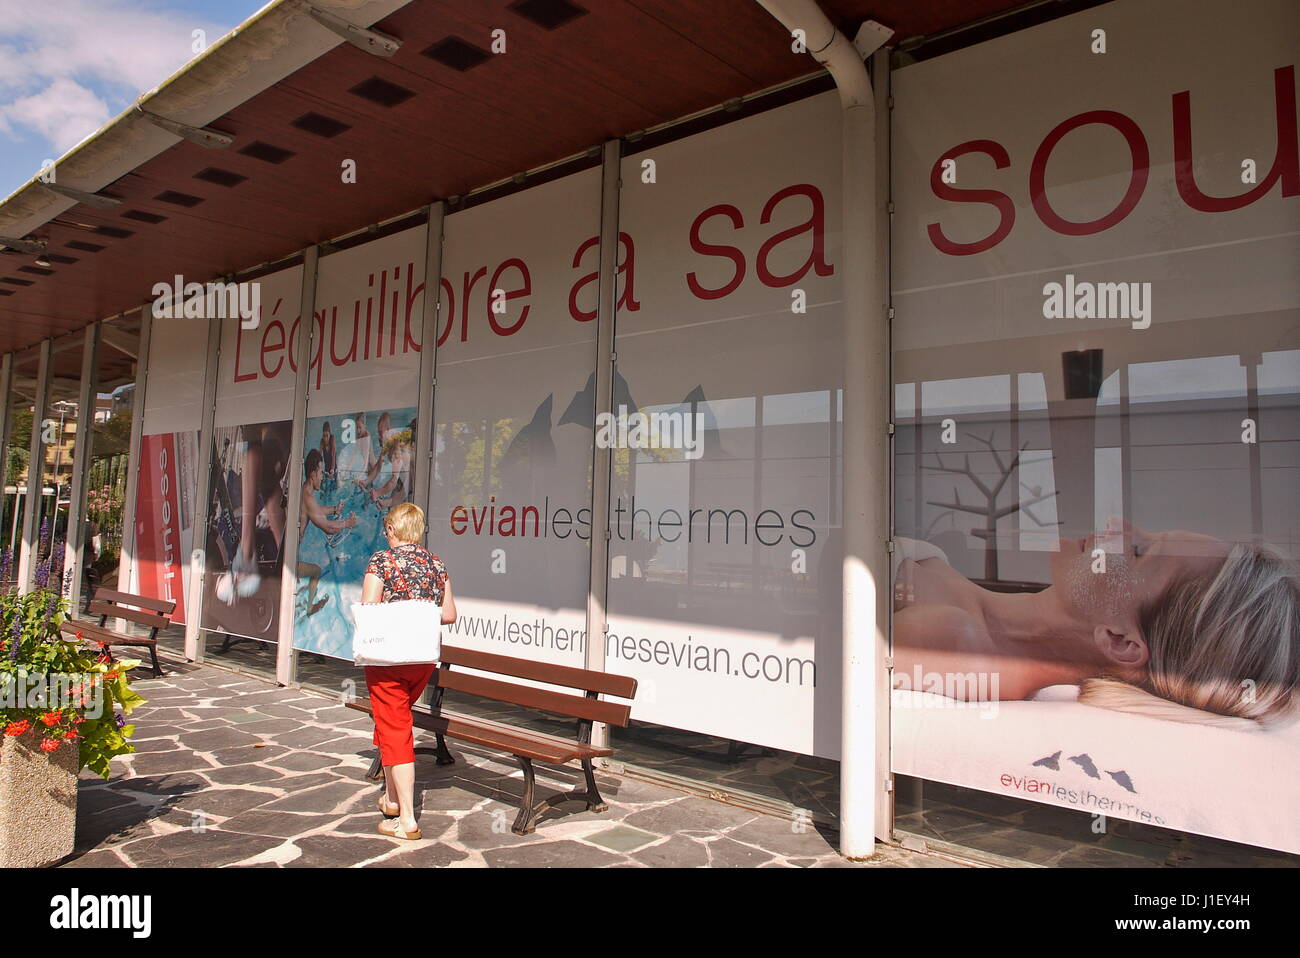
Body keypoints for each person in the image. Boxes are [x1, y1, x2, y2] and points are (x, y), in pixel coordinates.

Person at [892, 518, 1299, 729]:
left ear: (1121, 641)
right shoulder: (967, 619)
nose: (1119, 525)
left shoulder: (947, 643)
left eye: (1138, 550)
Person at [360, 502, 457, 840]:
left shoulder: (381, 561)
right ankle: (389, 799)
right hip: (421, 659)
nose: (386, 534)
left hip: (388, 659)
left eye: (388, 528)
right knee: (393, 721)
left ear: (394, 529)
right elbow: (448, 615)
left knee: (396, 729)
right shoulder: (437, 563)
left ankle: (407, 819)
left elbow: (370, 607)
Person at [297, 449, 356, 617]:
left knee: (313, 571)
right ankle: (309, 609)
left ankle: (305, 604)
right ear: (312, 473)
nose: (322, 477)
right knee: (315, 571)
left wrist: (334, 509)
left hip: (292, 554)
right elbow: (328, 528)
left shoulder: (305, 490)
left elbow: (315, 510)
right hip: (290, 560)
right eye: (321, 472)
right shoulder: (307, 496)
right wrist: (347, 523)